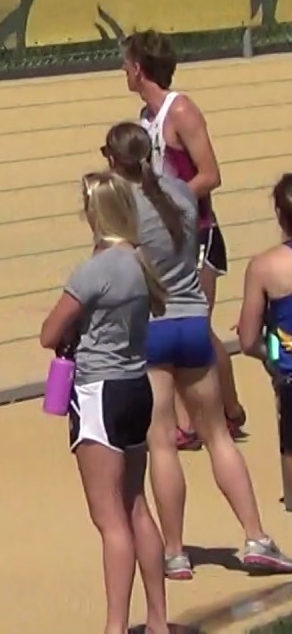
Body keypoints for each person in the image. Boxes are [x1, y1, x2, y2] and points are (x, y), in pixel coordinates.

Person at [101, 123, 292, 580]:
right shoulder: (182, 195)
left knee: (162, 442)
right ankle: (255, 536)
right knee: (217, 435)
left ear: (114, 159)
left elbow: (112, 264)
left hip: (151, 325)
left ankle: (173, 551)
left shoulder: (119, 204)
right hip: (191, 321)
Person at [39, 172, 168, 634]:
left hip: (99, 390)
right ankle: (156, 620)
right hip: (135, 385)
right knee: (136, 506)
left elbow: (48, 334)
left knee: (109, 518)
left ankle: (114, 626)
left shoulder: (93, 270)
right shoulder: (138, 262)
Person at [124, 30, 245, 447]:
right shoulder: (144, 118)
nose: (123, 71)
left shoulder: (182, 111)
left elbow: (211, 174)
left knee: (197, 325)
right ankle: (209, 415)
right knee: (179, 324)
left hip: (199, 233)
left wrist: (169, 205)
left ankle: (222, 412)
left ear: (138, 69)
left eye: (125, 64)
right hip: (168, 238)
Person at [237, 174, 292, 532]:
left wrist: (271, 356)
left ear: (279, 214)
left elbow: (246, 339)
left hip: (289, 369)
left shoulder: (264, 266)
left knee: (291, 442)